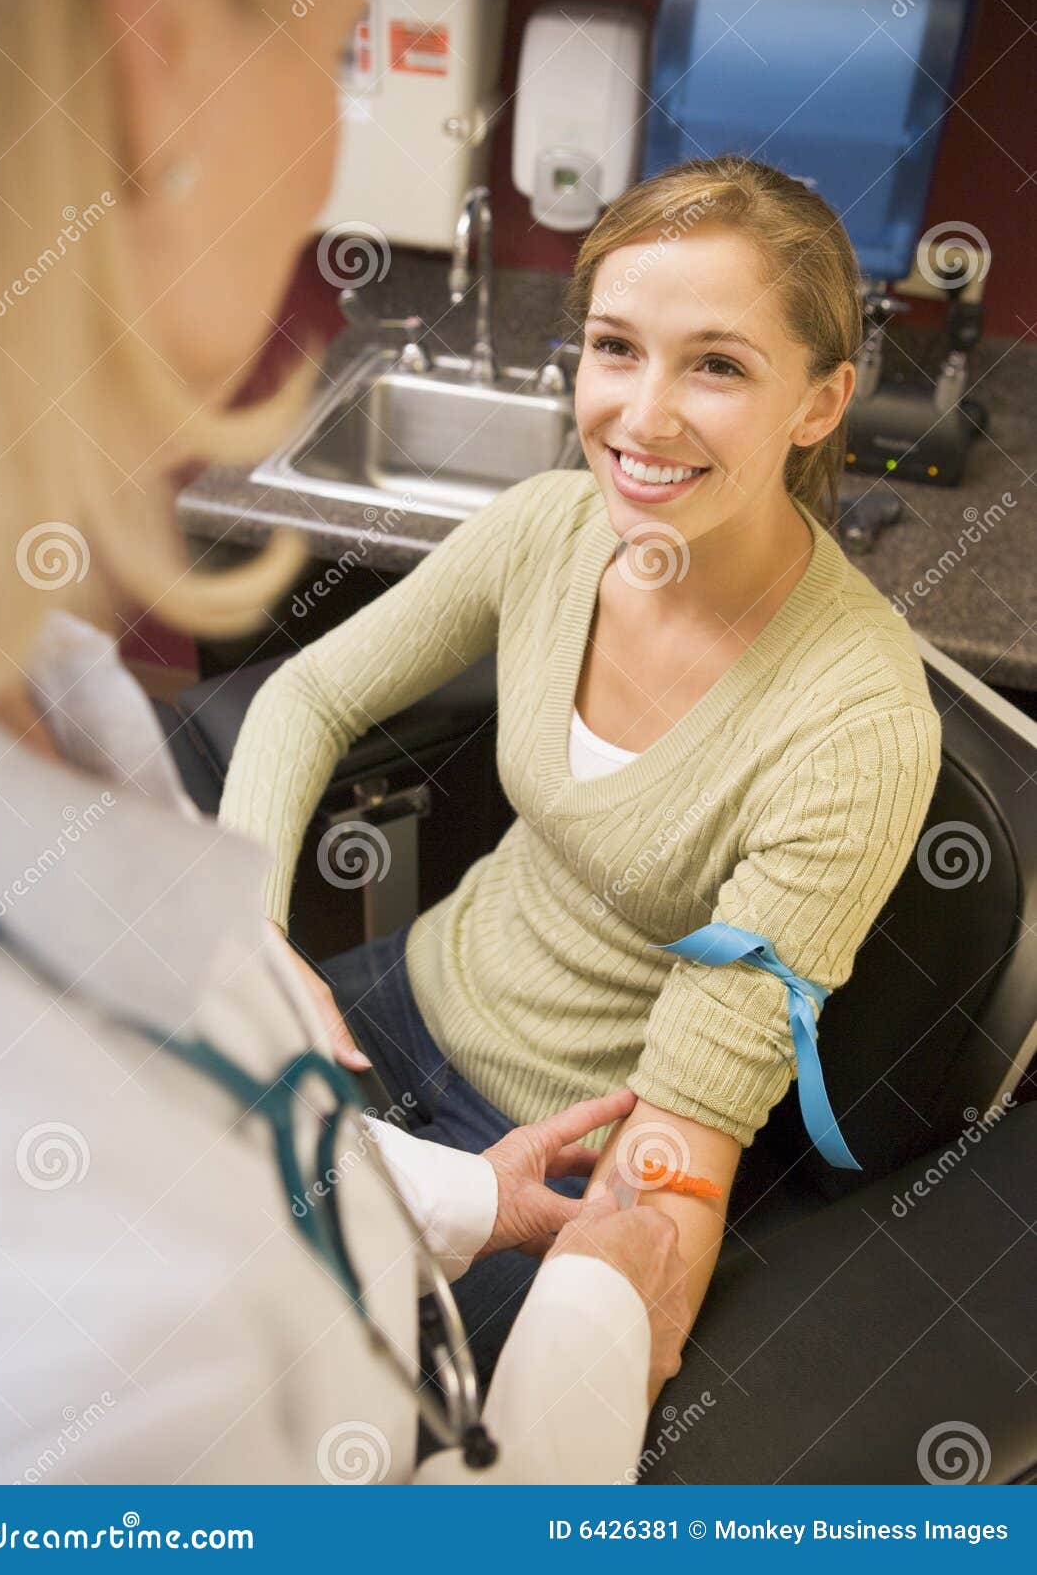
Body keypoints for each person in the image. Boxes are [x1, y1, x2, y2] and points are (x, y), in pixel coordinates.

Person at [0, 0, 692, 1484]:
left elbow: (223, 1135)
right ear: (156, 19)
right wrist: (588, 1327)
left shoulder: (50, 700)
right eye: (347, 38)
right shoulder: (92, 1347)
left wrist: (454, 1202)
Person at [219, 156, 943, 1376]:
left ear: (820, 400)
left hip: (560, 1140)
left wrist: (620, 1308)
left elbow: (688, 1136)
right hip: (392, 1002)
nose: (642, 416)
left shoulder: (853, 726)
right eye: (615, 346)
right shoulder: (550, 527)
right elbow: (310, 691)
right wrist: (249, 936)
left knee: (292, 1385)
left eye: (716, 363)